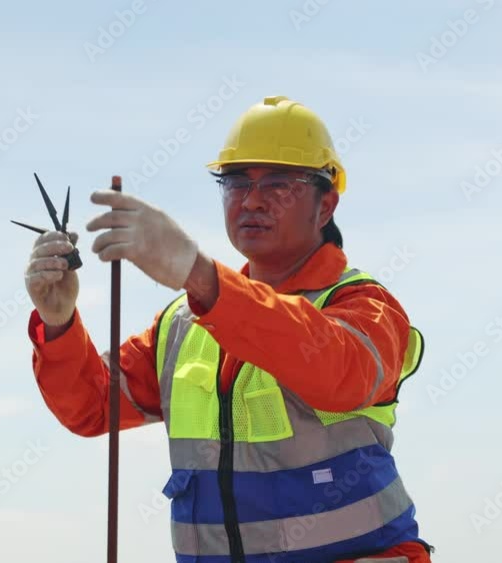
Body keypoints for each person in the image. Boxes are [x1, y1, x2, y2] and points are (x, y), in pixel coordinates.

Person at [24, 95, 432, 562]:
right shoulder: (184, 323)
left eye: (279, 184)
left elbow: (335, 371)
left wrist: (201, 276)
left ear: (326, 205)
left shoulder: (365, 307)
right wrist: (59, 323)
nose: (252, 200)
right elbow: (92, 406)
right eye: (236, 182)